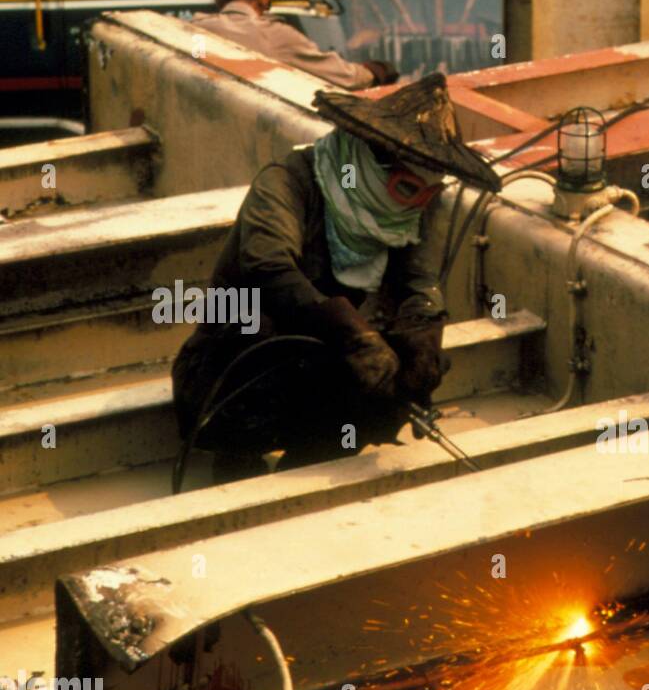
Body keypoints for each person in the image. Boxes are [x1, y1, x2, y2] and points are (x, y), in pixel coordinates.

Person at [171, 74, 501, 483]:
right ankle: (237, 462)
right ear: (367, 165)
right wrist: (353, 334)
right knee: (255, 350)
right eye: (406, 189)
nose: (415, 206)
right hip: (236, 362)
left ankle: (313, 459)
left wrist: (423, 341)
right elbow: (268, 267)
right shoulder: (287, 181)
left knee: (390, 376)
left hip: (325, 368)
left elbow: (420, 284)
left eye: (426, 197)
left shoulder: (409, 213)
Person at [192, 0, 398, 90]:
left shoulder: (194, 31)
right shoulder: (272, 35)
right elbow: (345, 77)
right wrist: (375, 71)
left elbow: (195, 65)